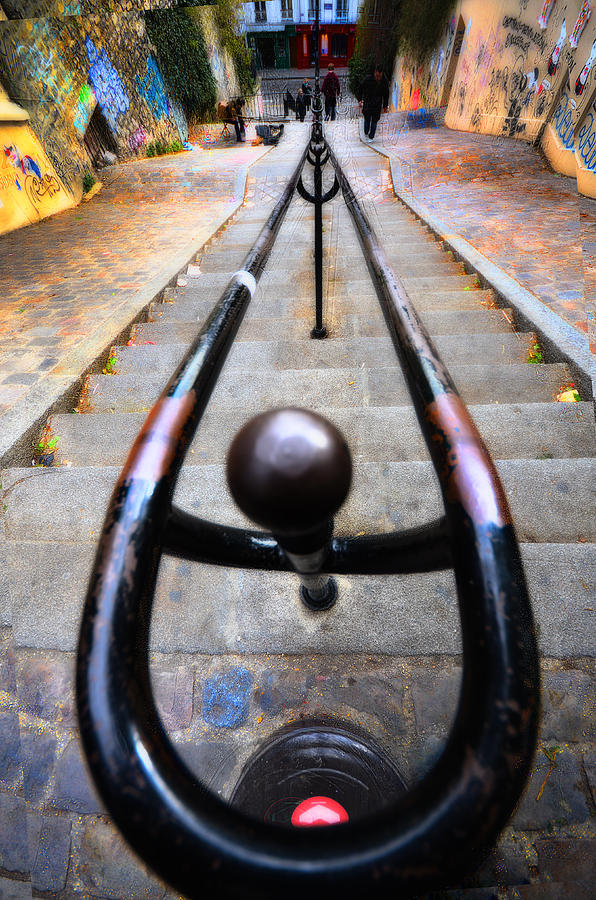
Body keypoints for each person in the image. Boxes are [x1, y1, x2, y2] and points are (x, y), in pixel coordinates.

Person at [357, 65, 389, 140]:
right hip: (368, 103)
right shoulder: (368, 79)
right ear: (375, 73)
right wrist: (360, 99)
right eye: (377, 76)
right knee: (367, 120)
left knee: (375, 121)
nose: (378, 78)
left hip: (377, 105)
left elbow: (386, 94)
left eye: (380, 76)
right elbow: (360, 88)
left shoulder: (384, 81)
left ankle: (371, 137)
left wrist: (385, 106)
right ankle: (365, 132)